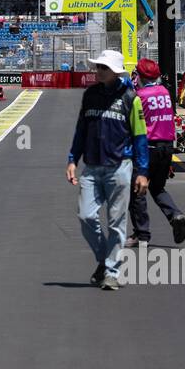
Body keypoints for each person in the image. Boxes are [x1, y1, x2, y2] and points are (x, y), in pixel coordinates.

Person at [65, 50, 150, 291]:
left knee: (116, 223)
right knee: (86, 216)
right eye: (98, 67)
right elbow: (81, 129)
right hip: (92, 167)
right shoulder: (90, 95)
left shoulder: (131, 98)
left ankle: (112, 272)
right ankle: (105, 261)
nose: (99, 71)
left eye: (104, 68)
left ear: (115, 71)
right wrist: (72, 159)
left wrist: (142, 171)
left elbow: (140, 137)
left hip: (120, 166)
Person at [127, 59, 185, 246]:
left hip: (148, 147)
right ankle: (175, 214)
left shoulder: (139, 97)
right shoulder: (165, 92)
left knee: (137, 190)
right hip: (167, 146)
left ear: (140, 76)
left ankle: (141, 233)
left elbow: (133, 125)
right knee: (158, 187)